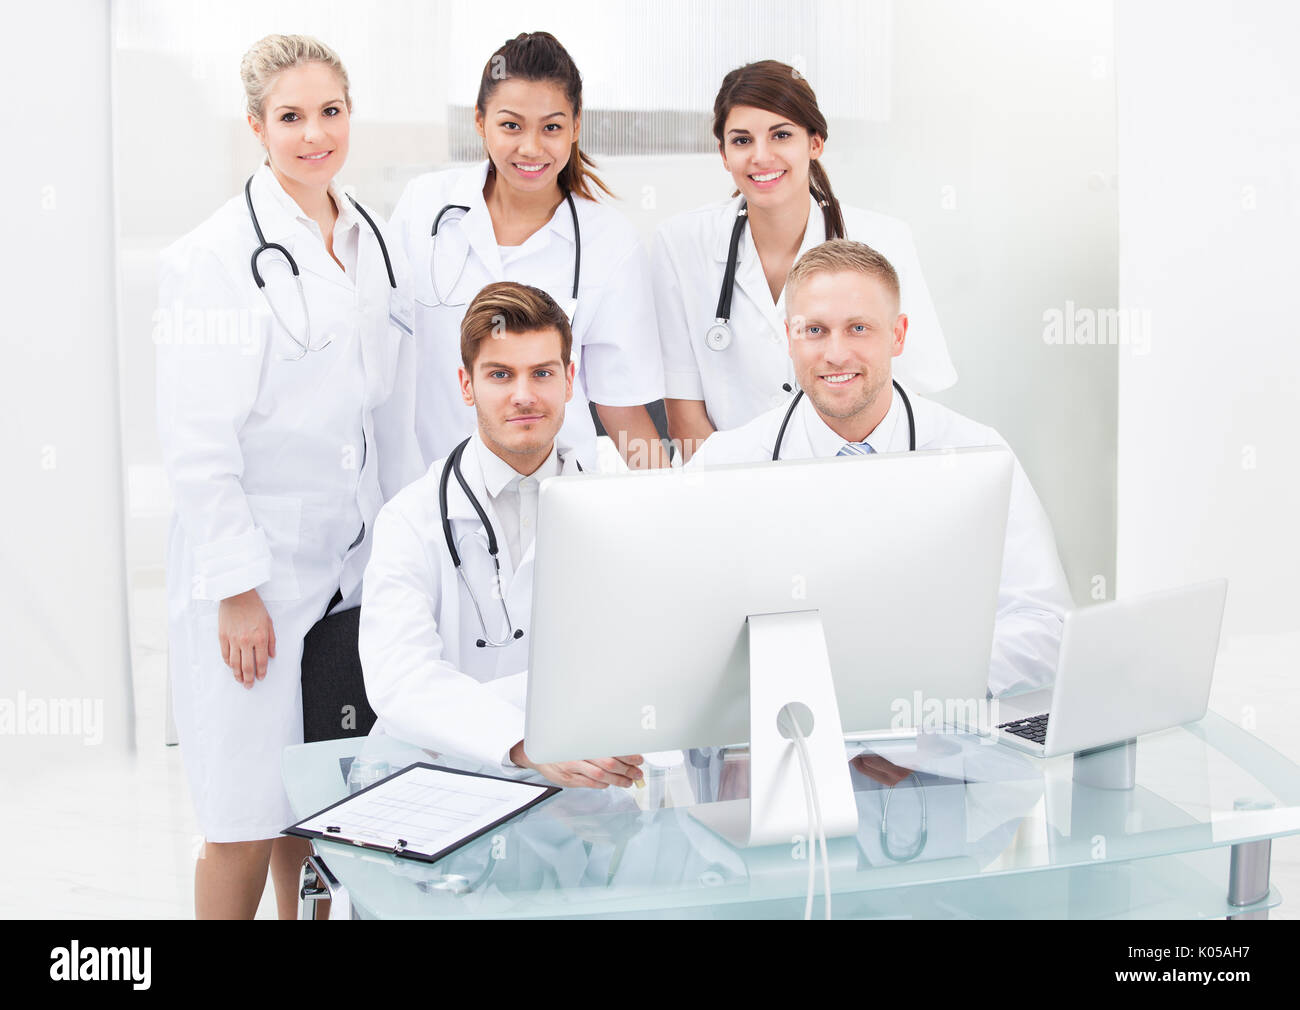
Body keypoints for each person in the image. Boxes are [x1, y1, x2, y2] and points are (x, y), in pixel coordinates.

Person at [155, 34, 421, 919]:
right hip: (254, 565)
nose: (315, 134)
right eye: (293, 117)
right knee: (239, 814)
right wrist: (237, 589)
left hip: (344, 561)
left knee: (316, 802)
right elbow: (196, 444)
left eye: (331, 112)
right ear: (257, 127)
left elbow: (385, 409)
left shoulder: (368, 236)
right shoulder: (218, 254)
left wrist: (397, 553)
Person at [689, 240, 1071, 695]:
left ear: (898, 334)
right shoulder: (724, 464)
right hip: (783, 736)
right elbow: (681, 630)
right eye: (814, 330)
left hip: (940, 750)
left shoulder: (976, 454)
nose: (835, 354)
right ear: (789, 336)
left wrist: (920, 696)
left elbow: (1047, 628)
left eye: (858, 328)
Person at [360, 281, 644, 789]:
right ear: (466, 385)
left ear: (570, 379)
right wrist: (524, 741)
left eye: (542, 373)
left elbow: (643, 656)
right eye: (500, 375)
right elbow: (400, 679)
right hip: (437, 781)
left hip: (582, 782)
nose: (524, 395)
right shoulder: (410, 519)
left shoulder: (616, 501)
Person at [390, 31, 668, 472]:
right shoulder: (423, 208)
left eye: (552, 127)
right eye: (511, 125)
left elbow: (625, 412)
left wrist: (672, 505)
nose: (532, 148)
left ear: (577, 126)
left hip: (555, 497)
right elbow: (385, 353)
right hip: (431, 492)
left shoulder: (611, 243)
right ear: (480, 122)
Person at [654, 60, 957, 461]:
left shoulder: (884, 239)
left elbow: (908, 391)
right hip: (729, 491)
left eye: (781, 135)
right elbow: (684, 415)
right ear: (724, 155)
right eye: (741, 140)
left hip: (855, 476)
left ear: (815, 143)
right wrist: (735, 501)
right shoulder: (680, 244)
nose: (761, 156)